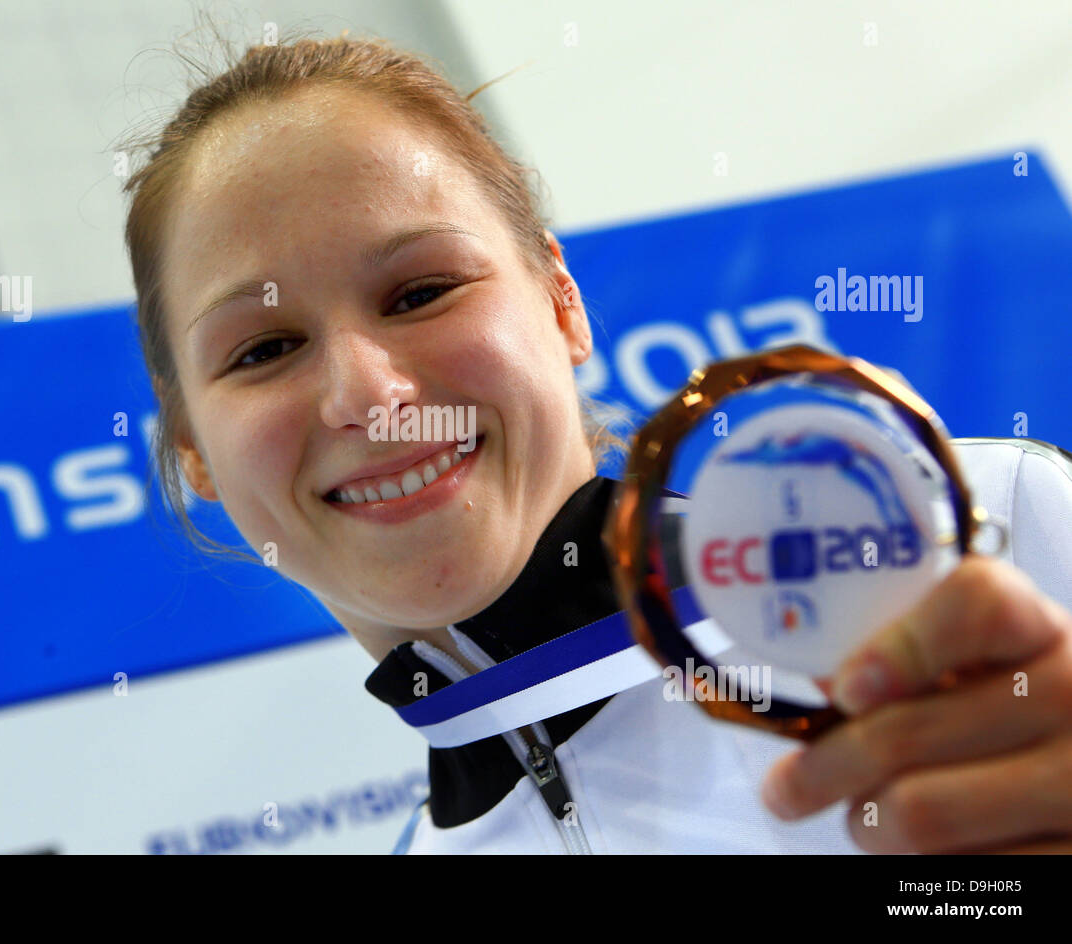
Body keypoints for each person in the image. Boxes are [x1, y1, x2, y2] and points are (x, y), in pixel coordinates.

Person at [121, 33, 1072, 853]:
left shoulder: (990, 541)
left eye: (420, 293)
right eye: (265, 349)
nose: (370, 397)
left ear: (561, 302)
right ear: (194, 452)